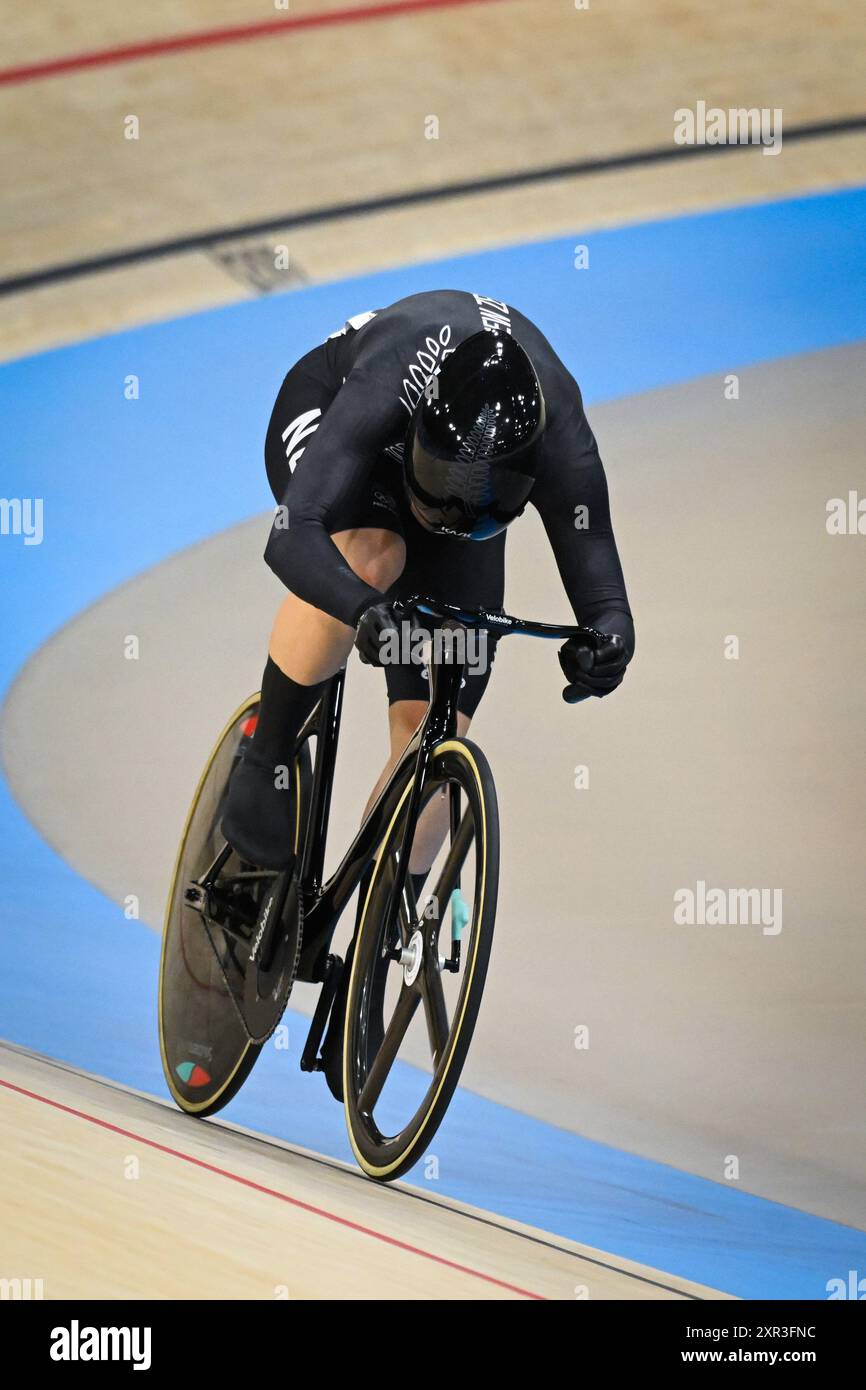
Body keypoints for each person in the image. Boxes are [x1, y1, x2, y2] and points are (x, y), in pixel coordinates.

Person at [221, 289, 634, 871]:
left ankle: (386, 913)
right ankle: (264, 758)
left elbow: (599, 574)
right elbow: (293, 533)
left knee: (436, 735)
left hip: (463, 502)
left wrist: (609, 640)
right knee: (372, 557)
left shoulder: (561, 430)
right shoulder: (394, 372)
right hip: (342, 416)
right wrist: (360, 606)